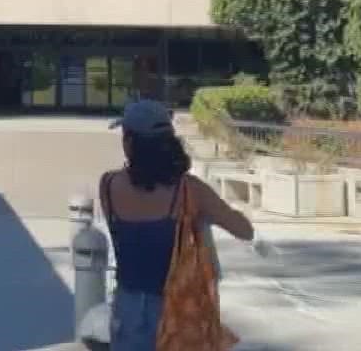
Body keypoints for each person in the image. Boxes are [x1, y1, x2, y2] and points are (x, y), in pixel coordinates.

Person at [98, 99, 254, 351]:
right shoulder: (190, 191)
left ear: (130, 143)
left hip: (127, 308)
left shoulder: (108, 186)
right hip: (179, 311)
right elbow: (245, 231)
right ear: (169, 143)